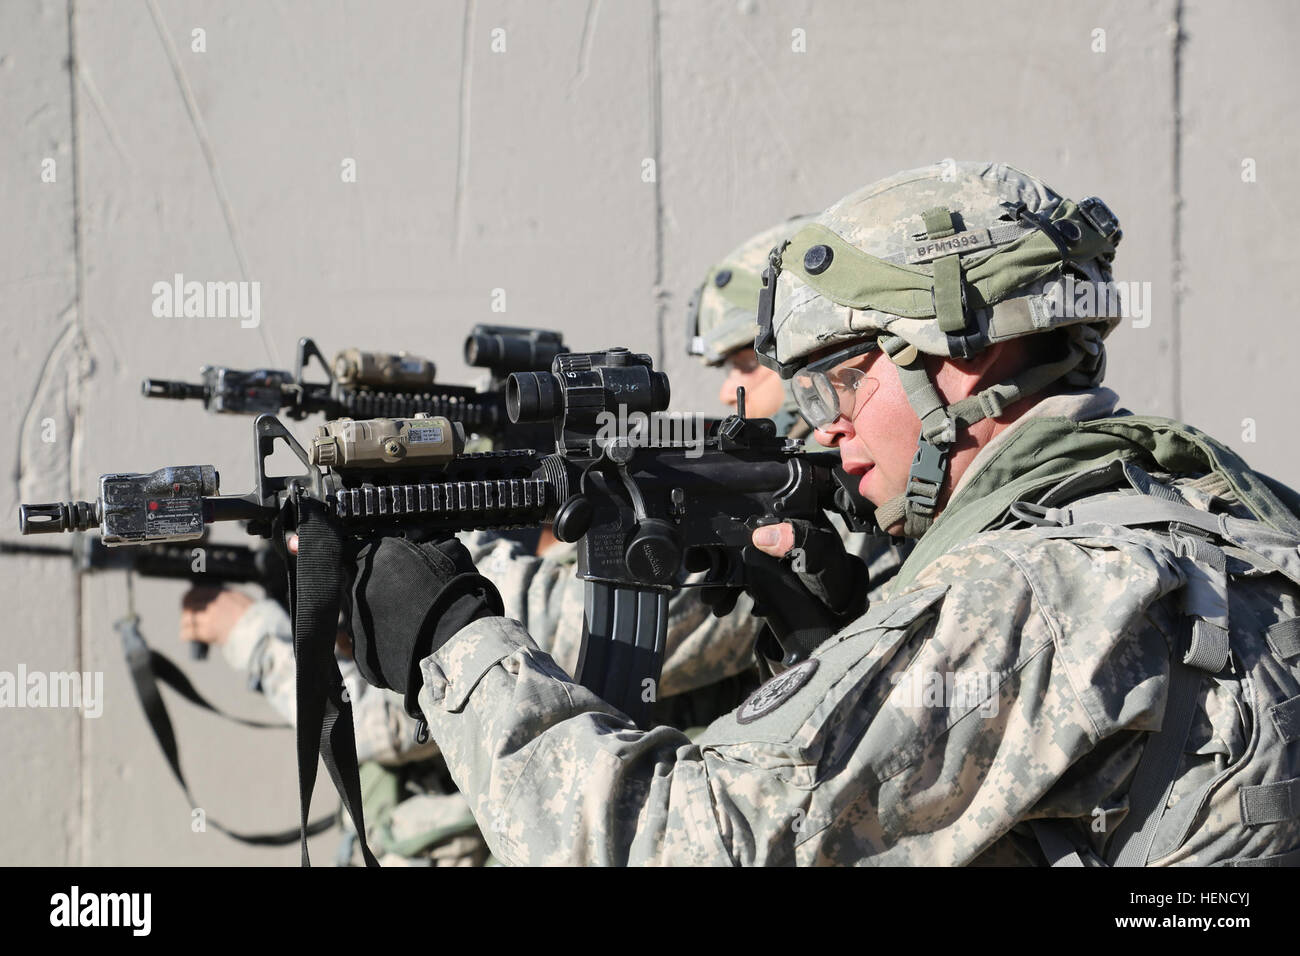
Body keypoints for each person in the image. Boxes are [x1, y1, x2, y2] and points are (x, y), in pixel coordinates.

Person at [333, 160, 1300, 866]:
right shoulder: (1215, 511)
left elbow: (674, 847)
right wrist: (834, 641)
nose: (826, 429)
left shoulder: (1027, 591)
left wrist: (454, 638)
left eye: (841, 382)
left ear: (958, 363)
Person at [180, 215, 882, 861]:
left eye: (748, 367)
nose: (732, 390)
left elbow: (548, 638)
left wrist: (426, 549)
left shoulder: (815, 505)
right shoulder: (781, 486)